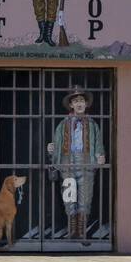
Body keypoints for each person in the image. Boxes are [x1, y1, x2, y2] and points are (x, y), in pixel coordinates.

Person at [46, 87, 105, 244]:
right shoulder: (62, 125)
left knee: (85, 196)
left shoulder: (92, 125)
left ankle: (82, 232)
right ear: (71, 105)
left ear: (86, 104)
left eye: (82, 101)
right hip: (67, 161)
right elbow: (56, 146)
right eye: (76, 101)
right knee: (69, 195)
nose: (79, 104)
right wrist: (51, 151)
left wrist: (100, 156)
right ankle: (72, 231)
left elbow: (98, 143)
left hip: (86, 161)